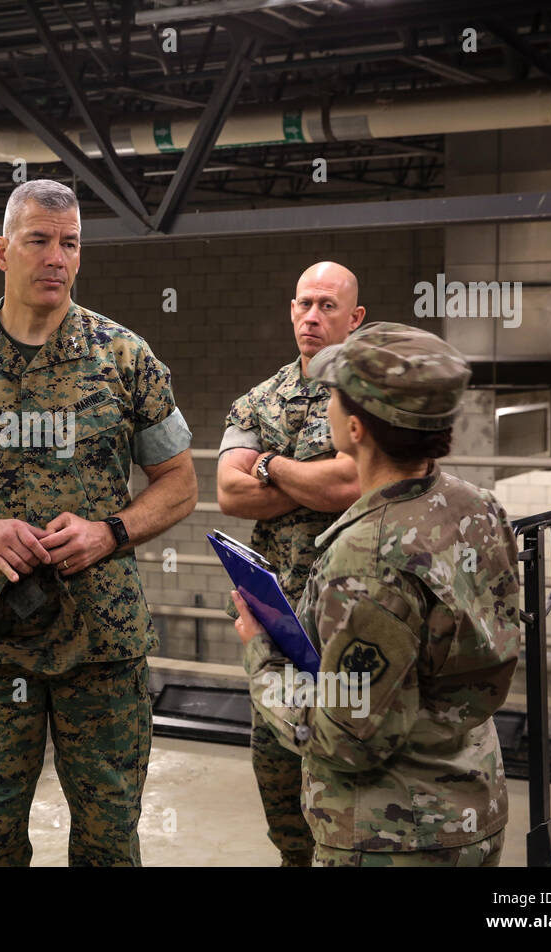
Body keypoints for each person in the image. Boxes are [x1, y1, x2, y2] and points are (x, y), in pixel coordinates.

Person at [0, 179, 197, 866]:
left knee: (109, 836)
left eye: (71, 243)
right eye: (39, 240)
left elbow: (179, 485)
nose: (57, 257)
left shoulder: (126, 361)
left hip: (102, 643)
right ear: (3, 251)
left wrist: (109, 531)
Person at [232, 321, 521, 867]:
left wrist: (259, 652)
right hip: (474, 808)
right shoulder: (478, 507)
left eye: (335, 395)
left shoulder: (366, 556)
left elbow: (346, 738)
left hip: (390, 836)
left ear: (357, 427)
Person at [215, 261, 364, 866]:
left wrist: (271, 466)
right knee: (278, 772)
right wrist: (315, 478)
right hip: (280, 621)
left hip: (354, 618)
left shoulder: (369, 396)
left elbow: (352, 483)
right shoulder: (259, 399)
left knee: (348, 771)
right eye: (304, 304)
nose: (312, 317)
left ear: (355, 319)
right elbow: (228, 492)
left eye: (328, 306)